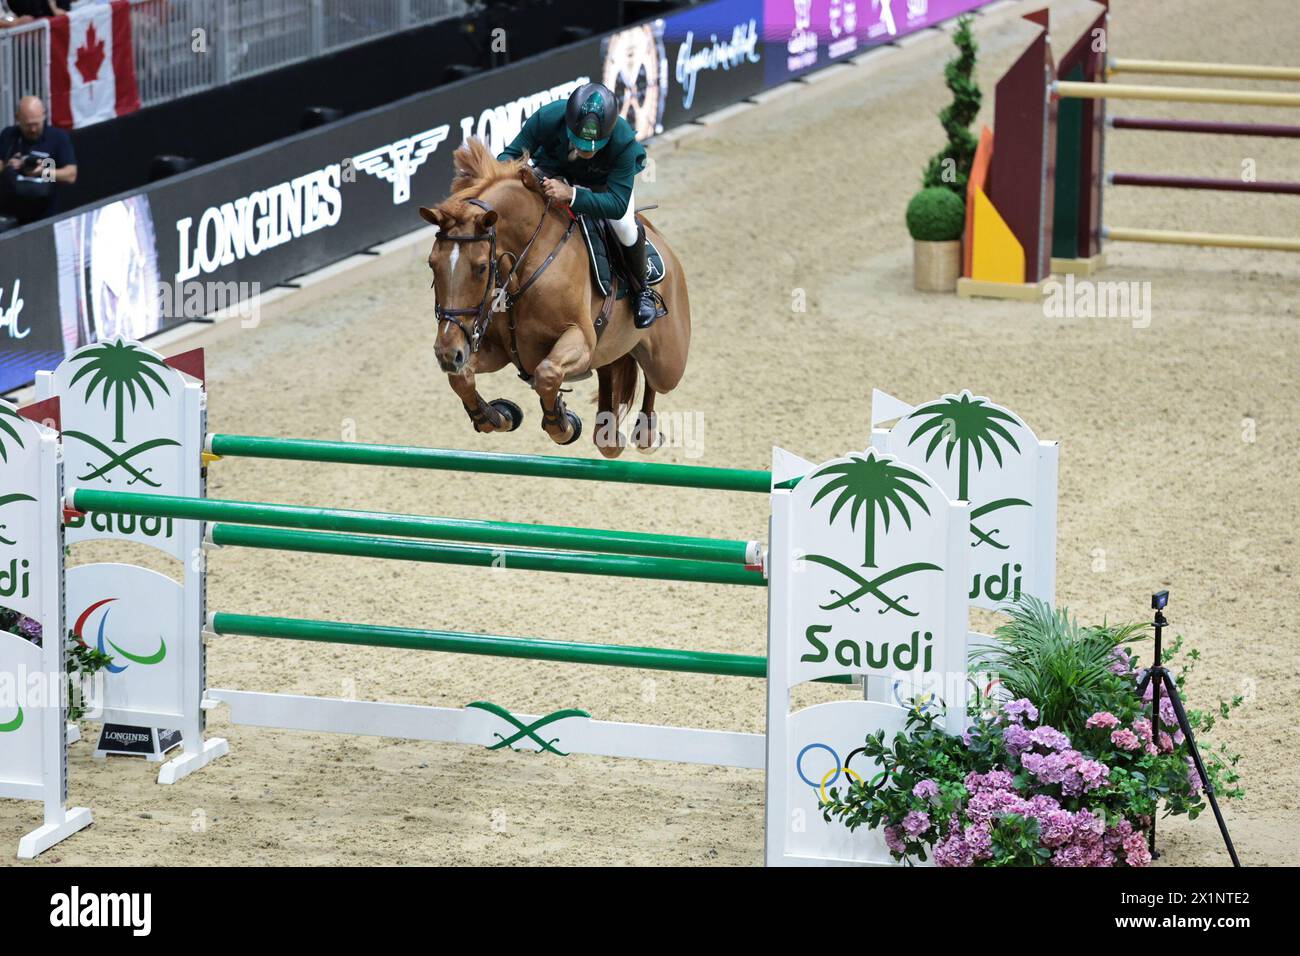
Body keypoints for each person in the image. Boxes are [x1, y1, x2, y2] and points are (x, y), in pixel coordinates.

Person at [498, 82, 659, 328]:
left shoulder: (624, 141)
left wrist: (572, 195)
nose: (586, 151)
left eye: (592, 147)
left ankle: (643, 291)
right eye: (580, 144)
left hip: (604, 187)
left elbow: (617, 204)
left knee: (625, 228)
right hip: (555, 173)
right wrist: (520, 171)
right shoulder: (547, 118)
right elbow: (507, 156)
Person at [0, 95, 77, 224]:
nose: (33, 129)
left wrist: (42, 172)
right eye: (28, 125)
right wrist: (9, 165)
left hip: (45, 216)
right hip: (10, 215)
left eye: (36, 124)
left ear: (44, 116)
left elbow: (71, 175)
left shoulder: (58, 138)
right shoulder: (9, 135)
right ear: (18, 118)